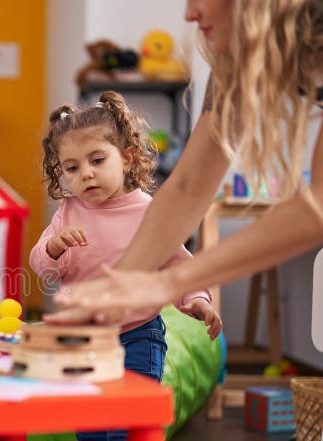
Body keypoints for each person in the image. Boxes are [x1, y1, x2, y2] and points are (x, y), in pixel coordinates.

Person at [51, 0, 323, 324]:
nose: (189, 14)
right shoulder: (234, 62)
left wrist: (167, 283)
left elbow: (315, 208)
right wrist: (113, 294)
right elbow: (188, 185)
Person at [30, 91, 221, 441]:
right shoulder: (68, 211)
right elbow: (42, 265)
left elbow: (179, 265)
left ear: (128, 155)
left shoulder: (147, 211)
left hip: (138, 336)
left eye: (97, 160)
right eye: (72, 168)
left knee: (125, 432)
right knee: (92, 434)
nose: (86, 175)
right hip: (84, 342)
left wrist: (199, 301)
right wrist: (52, 248)